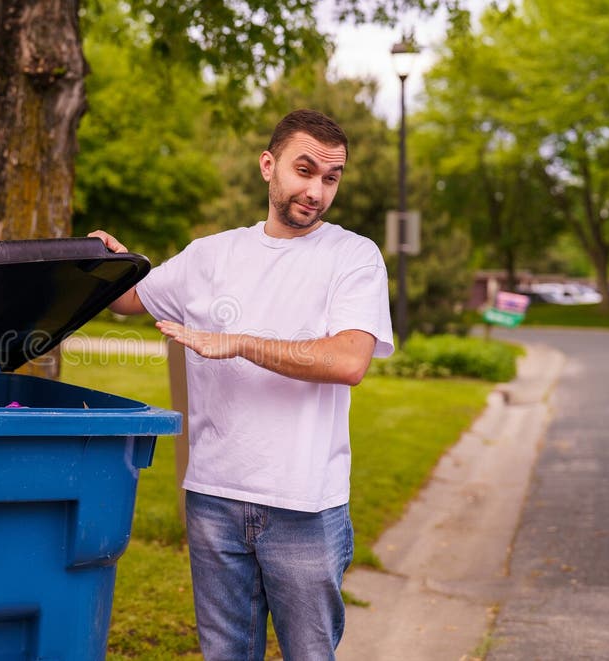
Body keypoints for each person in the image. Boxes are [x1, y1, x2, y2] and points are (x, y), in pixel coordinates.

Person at [89, 108, 394, 660]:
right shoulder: (212, 254)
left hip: (305, 506)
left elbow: (350, 359)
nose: (317, 190)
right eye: (305, 170)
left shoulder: (353, 257)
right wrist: (103, 263)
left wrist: (240, 342)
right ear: (268, 165)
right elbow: (131, 300)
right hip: (214, 498)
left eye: (331, 178)